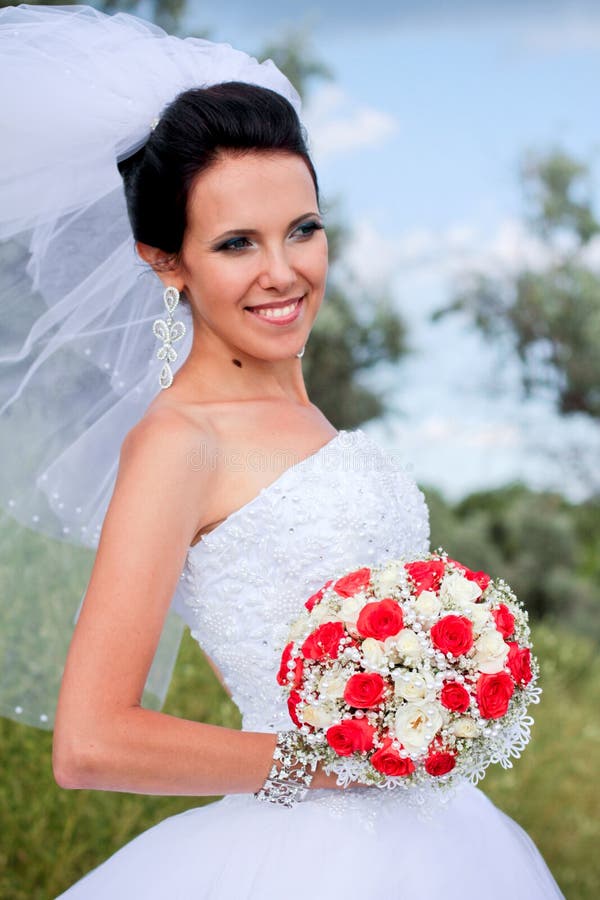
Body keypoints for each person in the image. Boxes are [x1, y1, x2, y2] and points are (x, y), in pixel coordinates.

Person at [0, 6, 566, 899]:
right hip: (313, 855)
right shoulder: (178, 441)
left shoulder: (310, 420)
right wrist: (336, 762)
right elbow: (91, 741)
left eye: (302, 228)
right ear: (166, 262)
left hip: (448, 835)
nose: (284, 271)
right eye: (236, 244)